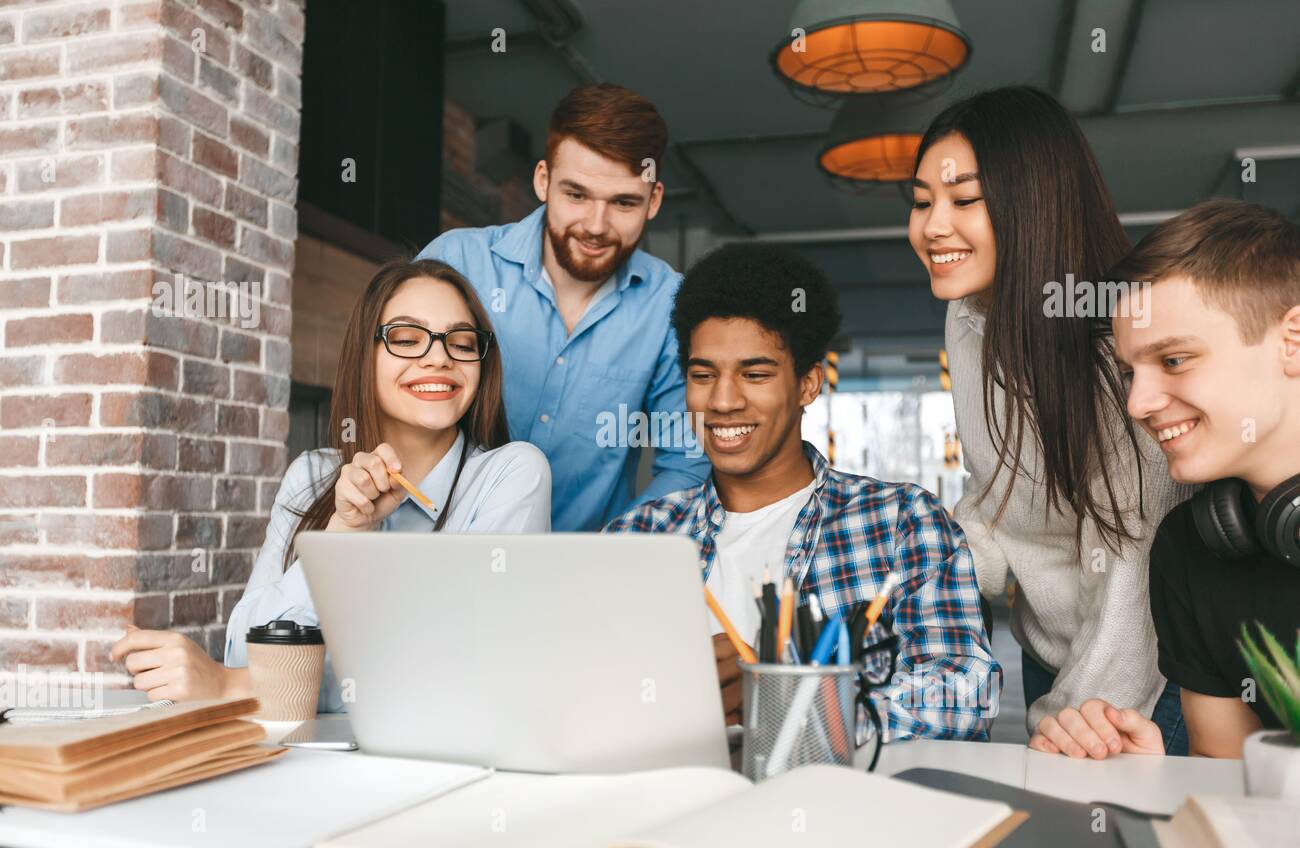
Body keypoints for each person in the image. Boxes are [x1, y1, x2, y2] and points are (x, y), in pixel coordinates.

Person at [110, 259, 551, 711]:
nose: (439, 357)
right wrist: (343, 532)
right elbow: (245, 650)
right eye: (405, 339)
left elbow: (458, 676)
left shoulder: (513, 475)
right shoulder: (312, 475)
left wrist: (235, 686)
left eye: (461, 342)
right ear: (366, 354)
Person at [605, 243, 1001, 741]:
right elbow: (582, 695)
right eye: (703, 375)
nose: (723, 401)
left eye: (755, 374)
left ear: (808, 384)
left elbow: (963, 695)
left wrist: (782, 708)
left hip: (835, 807)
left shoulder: (900, 522)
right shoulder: (636, 535)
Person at [908, 86, 1190, 754]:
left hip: (1148, 663)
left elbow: (1131, 569)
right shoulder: (969, 316)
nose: (932, 227)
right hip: (1050, 644)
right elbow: (999, 495)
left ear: (1031, 202)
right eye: (921, 203)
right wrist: (916, 560)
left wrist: (1065, 720)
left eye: (963, 200)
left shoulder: (1113, 347)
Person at [1030, 199, 1300, 759]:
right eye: (1130, 372)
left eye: (1174, 360)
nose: (1138, 403)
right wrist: (1155, 774)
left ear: (1292, 341)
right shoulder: (1189, 548)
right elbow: (1231, 783)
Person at [417, 83, 709, 531]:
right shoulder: (457, 264)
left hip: (584, 580)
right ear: (542, 180)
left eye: (623, 203)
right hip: (441, 554)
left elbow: (686, 464)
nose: (595, 226)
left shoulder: (671, 305)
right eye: (576, 195)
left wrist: (611, 549)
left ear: (653, 202)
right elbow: (388, 399)